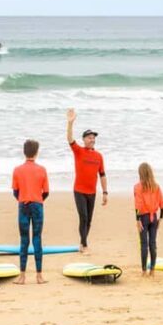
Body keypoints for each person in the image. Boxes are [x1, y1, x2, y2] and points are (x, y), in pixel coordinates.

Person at [66, 108, 108, 253]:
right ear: (84, 140)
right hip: (79, 191)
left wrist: (105, 192)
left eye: (93, 137)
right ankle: (84, 245)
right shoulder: (78, 151)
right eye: (89, 137)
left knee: (89, 220)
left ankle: (82, 243)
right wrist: (70, 123)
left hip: (92, 192)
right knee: (83, 217)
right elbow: (69, 139)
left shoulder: (99, 156)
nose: (92, 139)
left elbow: (102, 175)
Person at [12, 139, 49, 284]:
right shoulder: (42, 170)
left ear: (24, 152)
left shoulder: (17, 170)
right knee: (37, 239)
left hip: (23, 206)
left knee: (24, 240)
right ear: (37, 152)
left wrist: (23, 199)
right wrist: (37, 200)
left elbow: (15, 191)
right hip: (37, 206)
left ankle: (22, 276)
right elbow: (46, 192)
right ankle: (39, 276)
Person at [134, 162, 163, 276]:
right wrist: (160, 219)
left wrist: (138, 220)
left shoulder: (138, 187)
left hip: (143, 217)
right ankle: (152, 270)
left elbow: (138, 205)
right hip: (154, 217)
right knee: (153, 243)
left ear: (140, 174)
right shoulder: (156, 186)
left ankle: (144, 271)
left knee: (144, 244)